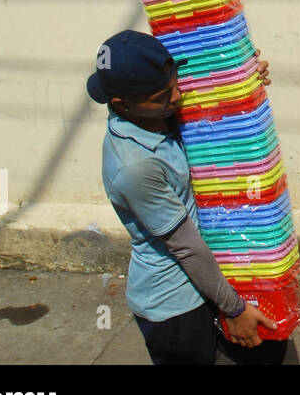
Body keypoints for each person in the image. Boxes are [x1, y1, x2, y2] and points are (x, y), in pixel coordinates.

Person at [88, 29, 283, 364]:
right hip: (175, 305)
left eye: (176, 84)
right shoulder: (134, 166)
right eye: (165, 95)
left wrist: (246, 82)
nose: (178, 97)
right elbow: (186, 247)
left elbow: (214, 118)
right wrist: (234, 309)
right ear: (122, 104)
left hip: (208, 279)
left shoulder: (154, 113)